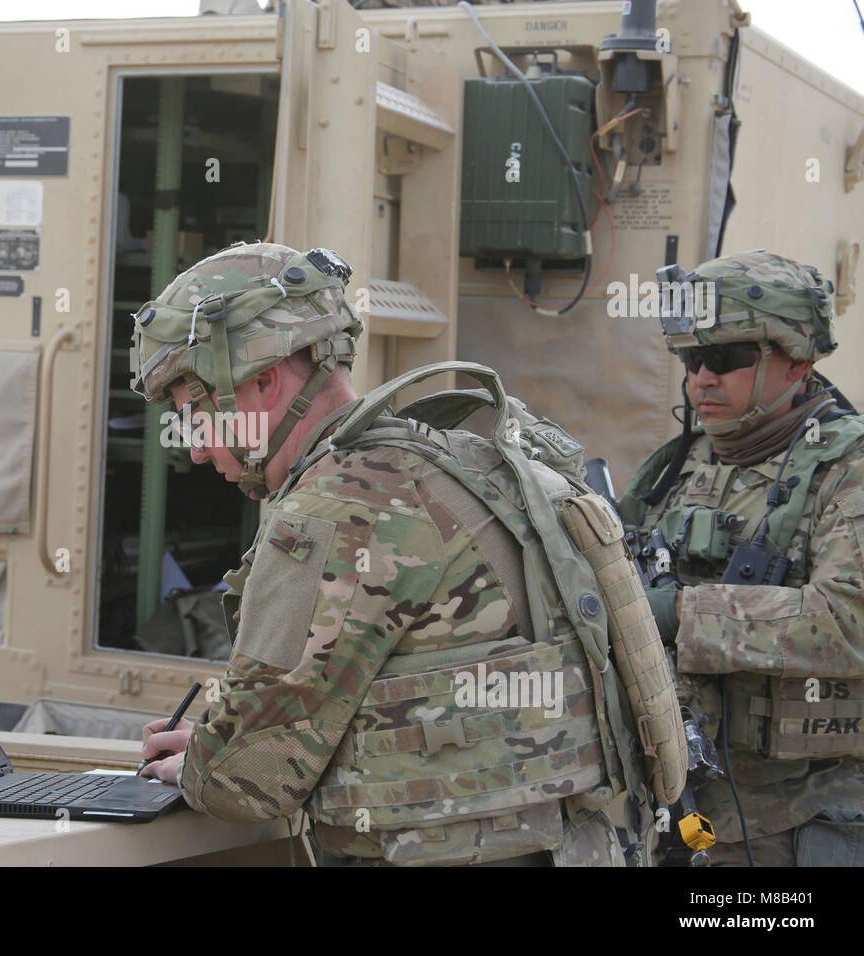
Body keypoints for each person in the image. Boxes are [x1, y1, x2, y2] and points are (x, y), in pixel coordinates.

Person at [130, 240, 679, 866]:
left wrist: (202, 763)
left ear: (261, 379)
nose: (197, 449)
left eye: (196, 414)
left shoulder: (337, 511)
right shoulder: (461, 460)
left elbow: (249, 780)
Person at [618, 249, 864, 866]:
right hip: (679, 812)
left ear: (796, 360)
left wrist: (679, 612)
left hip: (796, 815)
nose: (703, 377)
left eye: (726, 358)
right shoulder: (675, 465)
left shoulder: (846, 472)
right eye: (693, 359)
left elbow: (848, 621)